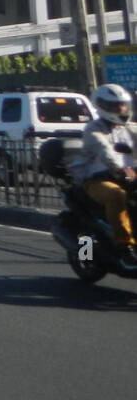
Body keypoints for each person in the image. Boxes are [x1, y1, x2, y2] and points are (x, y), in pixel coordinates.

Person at [74, 83, 137, 272]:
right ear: (104, 106)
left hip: (130, 177)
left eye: (123, 105)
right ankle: (124, 247)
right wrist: (120, 168)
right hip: (97, 179)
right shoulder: (94, 129)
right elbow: (106, 151)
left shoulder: (131, 128)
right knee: (116, 195)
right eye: (116, 106)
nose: (121, 109)